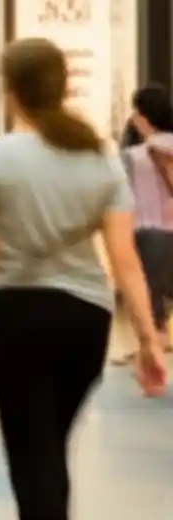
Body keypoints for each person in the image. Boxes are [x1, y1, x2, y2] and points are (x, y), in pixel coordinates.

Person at [0, 38, 166, 520]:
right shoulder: (101, 158)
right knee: (50, 448)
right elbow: (124, 258)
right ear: (62, 88)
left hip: (14, 314)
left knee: (32, 455)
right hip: (84, 318)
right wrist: (150, 337)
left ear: (11, 92)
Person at [114, 84, 173, 363]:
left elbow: (121, 199)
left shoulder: (134, 156)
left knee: (149, 294)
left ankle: (150, 349)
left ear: (141, 117)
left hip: (149, 232)